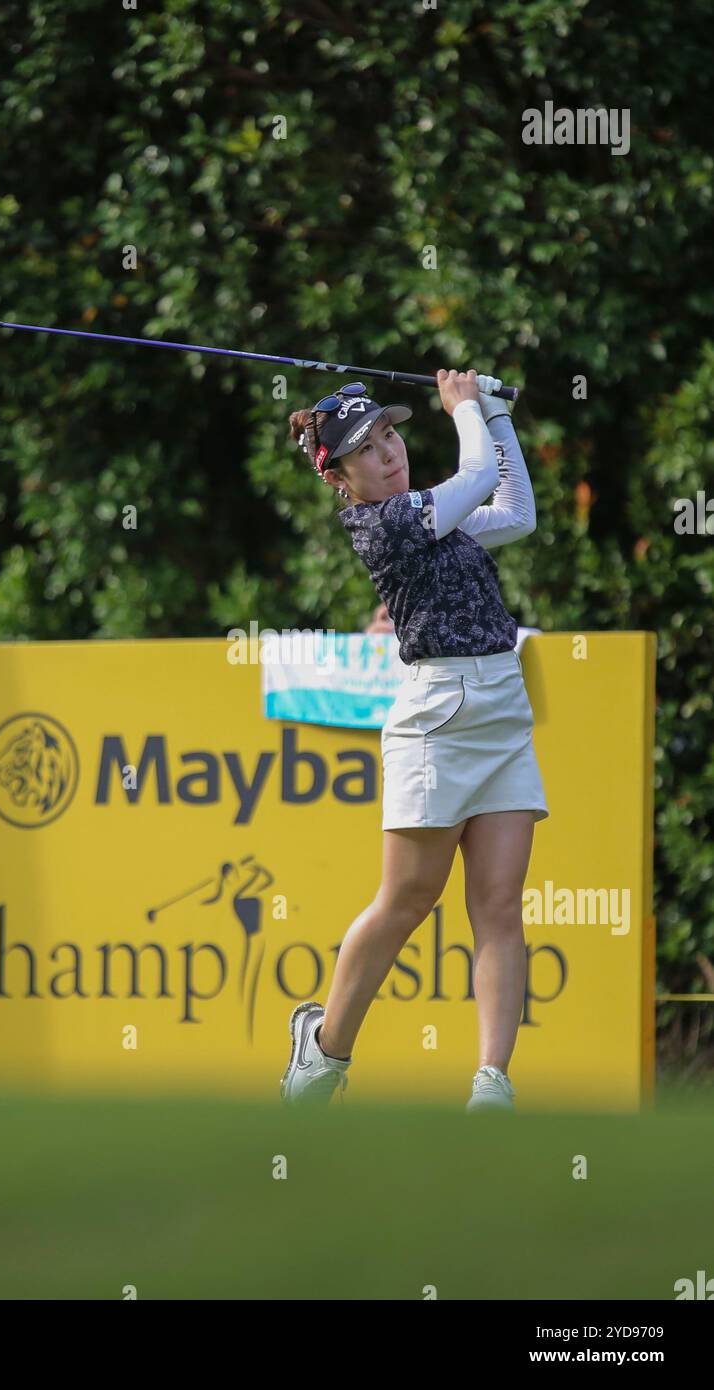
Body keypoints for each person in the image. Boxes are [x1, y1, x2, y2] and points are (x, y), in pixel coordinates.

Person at [279, 369, 548, 1112]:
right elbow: (471, 476)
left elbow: (516, 511)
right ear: (341, 476)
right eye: (369, 449)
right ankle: (327, 1047)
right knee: (407, 898)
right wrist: (464, 409)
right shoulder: (386, 523)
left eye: (392, 435)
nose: (390, 453)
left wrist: (492, 413)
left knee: (498, 904)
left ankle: (491, 1082)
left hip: (502, 707)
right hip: (437, 719)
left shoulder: (440, 513)